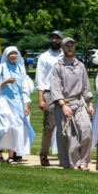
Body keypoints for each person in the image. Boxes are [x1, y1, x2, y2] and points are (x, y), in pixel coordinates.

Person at [49, 37, 94, 171]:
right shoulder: (58, 67)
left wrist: (90, 104)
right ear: (62, 48)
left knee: (86, 129)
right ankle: (72, 162)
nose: (70, 48)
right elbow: (55, 88)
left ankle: (83, 161)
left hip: (79, 103)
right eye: (67, 46)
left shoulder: (80, 66)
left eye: (72, 46)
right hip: (64, 103)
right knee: (68, 135)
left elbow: (86, 86)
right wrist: (63, 105)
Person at [0, 46, 36, 164]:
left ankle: (11, 156)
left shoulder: (21, 69)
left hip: (17, 102)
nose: (13, 55)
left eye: (15, 53)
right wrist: (5, 82)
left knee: (15, 129)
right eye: (10, 53)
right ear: (6, 55)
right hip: (2, 100)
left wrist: (26, 105)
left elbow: (25, 89)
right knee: (4, 127)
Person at [35, 30, 65, 166]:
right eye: (52, 38)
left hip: (65, 95)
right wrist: (41, 99)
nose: (54, 40)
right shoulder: (44, 57)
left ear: (61, 40)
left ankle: (64, 155)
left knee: (65, 126)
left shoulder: (66, 56)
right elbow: (40, 80)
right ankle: (44, 154)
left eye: (57, 38)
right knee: (50, 126)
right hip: (49, 94)